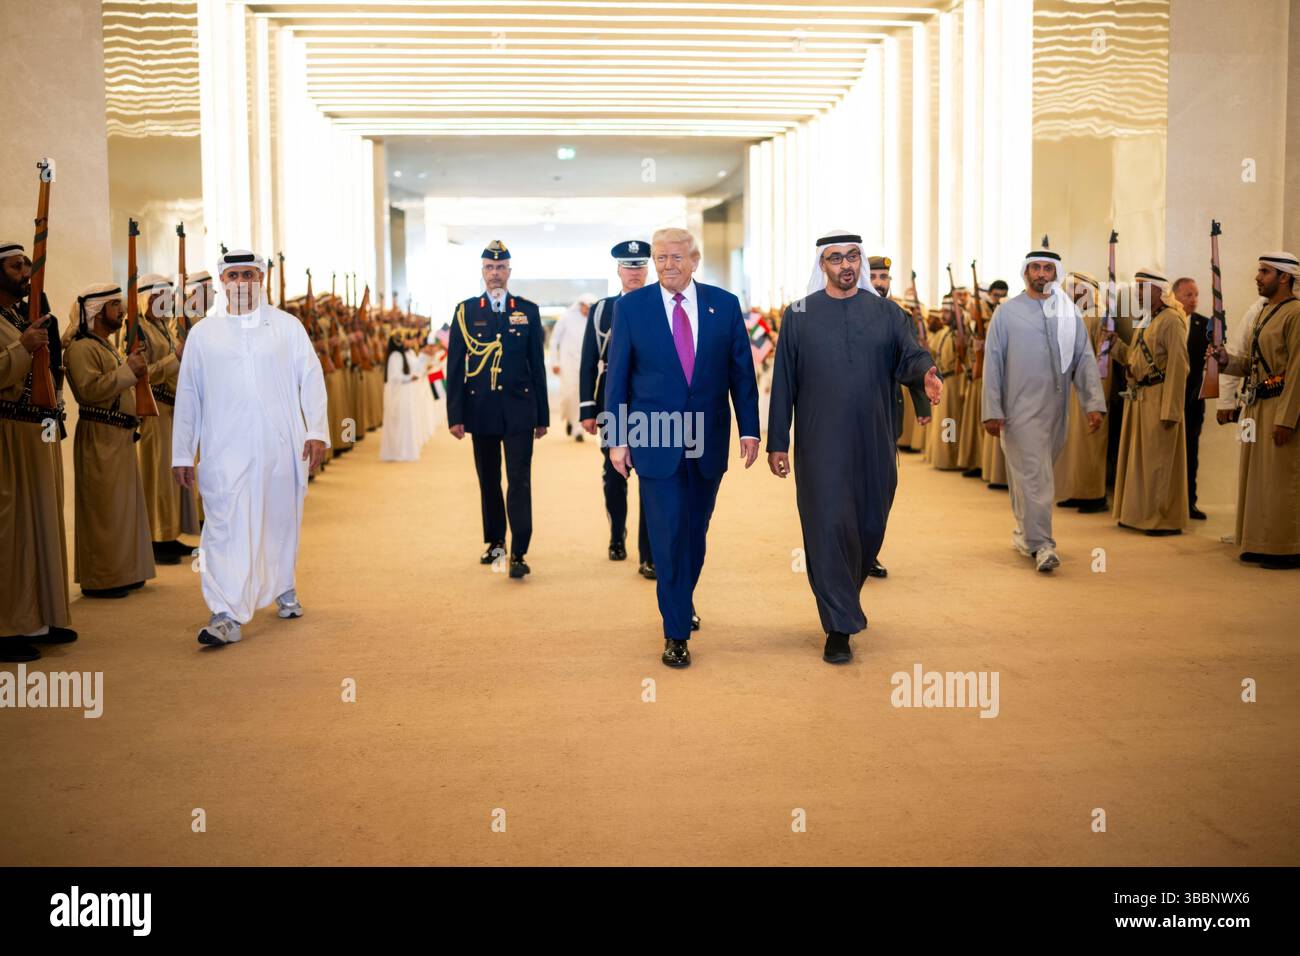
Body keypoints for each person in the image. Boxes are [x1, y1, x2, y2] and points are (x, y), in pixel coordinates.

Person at [768, 232, 941, 663]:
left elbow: (910, 355)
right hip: (819, 442)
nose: (845, 265)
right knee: (827, 526)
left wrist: (927, 373)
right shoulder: (799, 315)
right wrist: (777, 442)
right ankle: (839, 625)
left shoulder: (887, 314)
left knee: (867, 524)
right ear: (821, 265)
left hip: (874, 440)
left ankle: (845, 598)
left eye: (851, 257)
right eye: (835, 258)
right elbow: (783, 383)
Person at [603, 227, 760, 668]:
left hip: (707, 438)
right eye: (660, 258)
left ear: (695, 260)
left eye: (676, 257)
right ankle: (675, 631)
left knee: (695, 532)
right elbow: (618, 377)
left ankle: (682, 596)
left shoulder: (724, 305)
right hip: (654, 437)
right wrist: (617, 438)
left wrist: (750, 429)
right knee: (669, 534)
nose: (667, 265)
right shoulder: (631, 308)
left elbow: (741, 373)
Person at [172, 250, 330, 646]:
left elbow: (311, 379)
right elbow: (189, 396)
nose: (242, 282)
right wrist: (181, 452)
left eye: (249, 275)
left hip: (281, 449)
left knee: (278, 524)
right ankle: (225, 612)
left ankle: (282, 585)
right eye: (234, 276)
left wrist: (317, 431)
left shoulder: (287, 327)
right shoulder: (203, 334)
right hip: (225, 453)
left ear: (260, 279)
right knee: (223, 528)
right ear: (223, 283)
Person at [982, 248, 1107, 572]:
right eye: (1035, 268)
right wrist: (991, 410)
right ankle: (1043, 546)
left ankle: (1026, 534)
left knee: (1032, 478)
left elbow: (1084, 358)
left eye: (1047, 269)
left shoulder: (1068, 313)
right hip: (1018, 412)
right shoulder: (1006, 314)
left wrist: (1093, 403)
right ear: (1025, 272)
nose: (1041, 273)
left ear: (1055, 273)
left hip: (1056, 413)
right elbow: (992, 364)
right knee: (1036, 478)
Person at [445, 240, 548, 579]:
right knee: (488, 480)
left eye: (501, 267)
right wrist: (455, 415)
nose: (495, 273)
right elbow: (456, 366)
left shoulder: (527, 310)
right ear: (482, 272)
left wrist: (542, 415)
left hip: (520, 409)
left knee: (519, 480)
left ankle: (519, 551)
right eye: (489, 268)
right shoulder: (466, 311)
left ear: (509, 271)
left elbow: (537, 365)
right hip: (482, 409)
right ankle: (496, 543)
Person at [0, 241, 75, 662]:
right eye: (16, 266)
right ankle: (7, 626)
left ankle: (41, 617)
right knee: (10, 531)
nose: (26, 271)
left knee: (41, 524)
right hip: (7, 434)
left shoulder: (21, 316)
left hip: (36, 432)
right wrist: (21, 348)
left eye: (28, 264)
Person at [1209, 252, 1300, 569]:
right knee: (1258, 478)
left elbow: (1297, 372)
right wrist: (1226, 362)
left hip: (1281, 406)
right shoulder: (1264, 313)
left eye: (1264, 272)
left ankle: (1286, 546)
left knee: (1280, 478)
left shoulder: (1296, 313)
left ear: (1284, 277)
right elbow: (1251, 363)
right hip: (1257, 405)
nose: (1257, 277)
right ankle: (1260, 540)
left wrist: (1286, 419)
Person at [64, 283, 156, 598]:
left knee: (121, 510)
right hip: (100, 434)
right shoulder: (81, 347)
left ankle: (123, 572)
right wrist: (129, 370)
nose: (122, 311)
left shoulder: (103, 344)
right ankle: (102, 578)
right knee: (103, 511)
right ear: (97, 310)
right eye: (115, 305)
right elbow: (90, 391)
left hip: (118, 434)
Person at [580, 240, 654, 573]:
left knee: (653, 478)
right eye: (628, 266)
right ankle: (616, 534)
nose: (634, 272)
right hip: (612, 399)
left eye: (639, 266)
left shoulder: (661, 304)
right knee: (614, 474)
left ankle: (649, 553)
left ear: (647, 269)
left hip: (652, 400)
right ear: (618, 270)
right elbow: (588, 361)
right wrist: (587, 409)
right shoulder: (602, 309)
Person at [1108, 270, 1190, 536]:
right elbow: (1134, 360)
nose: (1137, 293)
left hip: (1158, 399)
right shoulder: (1146, 320)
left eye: (1142, 288)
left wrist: (1171, 409)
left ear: (1159, 290)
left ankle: (1161, 520)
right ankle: (1138, 515)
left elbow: (1179, 367)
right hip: (1139, 398)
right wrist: (1115, 346)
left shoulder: (1172, 321)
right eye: (1136, 288)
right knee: (1139, 462)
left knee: (1158, 462)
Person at [134, 272, 187, 565]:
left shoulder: (162, 328)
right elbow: (141, 372)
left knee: (168, 475)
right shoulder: (137, 329)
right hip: (152, 408)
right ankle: (156, 537)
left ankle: (168, 532)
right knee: (155, 474)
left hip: (170, 408)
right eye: (159, 297)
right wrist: (175, 358)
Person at [1052, 272, 1111, 513]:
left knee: (1090, 441)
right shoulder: (1079, 315)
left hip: (1091, 385)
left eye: (1076, 289)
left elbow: (1098, 357)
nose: (1071, 292)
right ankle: (1078, 490)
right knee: (1076, 441)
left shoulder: (1096, 314)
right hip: (1076, 384)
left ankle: (1094, 495)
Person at [1173, 277, 1210, 519]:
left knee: (1191, 450)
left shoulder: (1205, 324)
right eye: (1188, 294)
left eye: (1196, 294)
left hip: (1194, 398)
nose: (1193, 299)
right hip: (1171, 396)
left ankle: (1189, 502)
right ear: (1175, 296)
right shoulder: (1167, 321)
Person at [548, 293, 596, 441]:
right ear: (580, 305)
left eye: (590, 308)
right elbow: (554, 341)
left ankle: (578, 429)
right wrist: (554, 362)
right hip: (568, 364)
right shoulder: (567, 318)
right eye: (586, 307)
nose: (587, 311)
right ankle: (570, 419)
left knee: (583, 396)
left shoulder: (595, 319)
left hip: (588, 365)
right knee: (569, 396)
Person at [380, 332, 424, 462]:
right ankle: (397, 452)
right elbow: (395, 377)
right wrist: (410, 377)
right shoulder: (396, 355)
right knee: (398, 422)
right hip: (397, 394)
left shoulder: (399, 355)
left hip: (402, 392)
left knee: (403, 422)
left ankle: (403, 451)